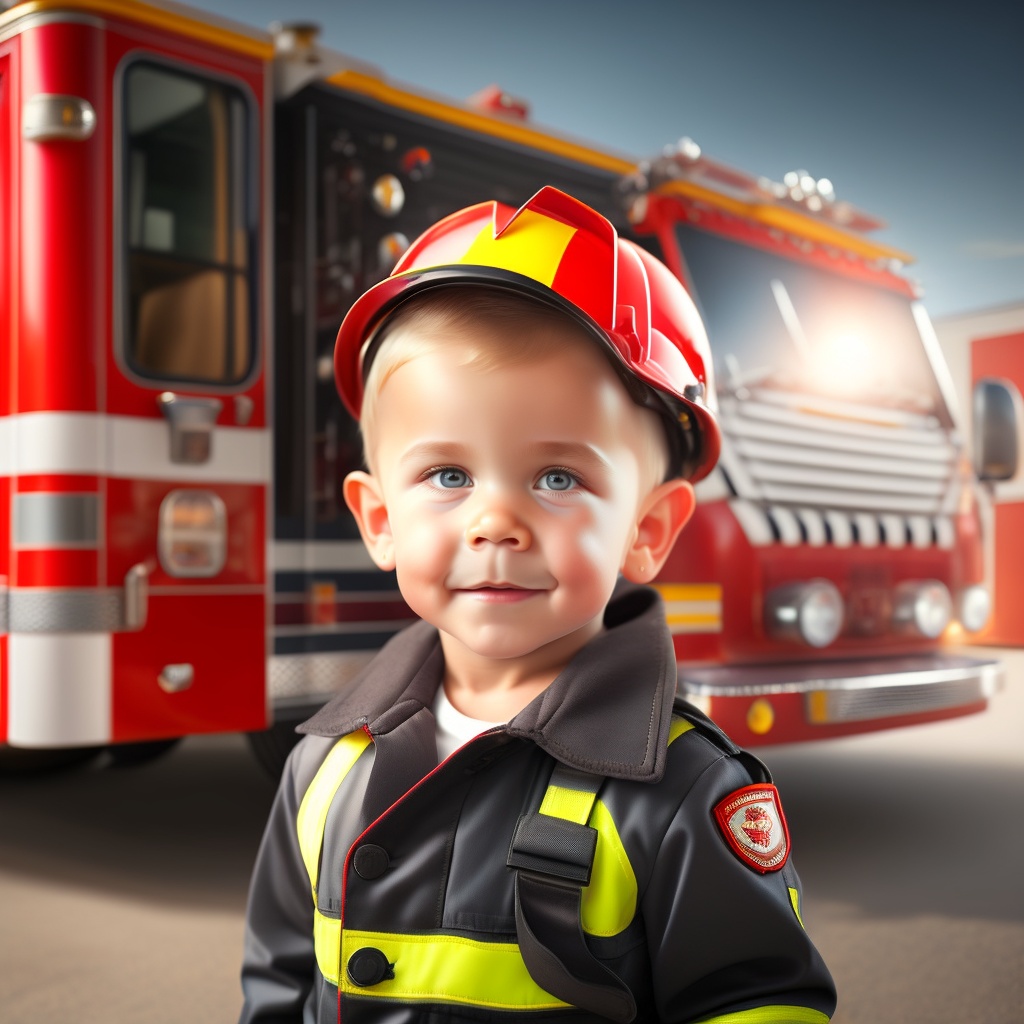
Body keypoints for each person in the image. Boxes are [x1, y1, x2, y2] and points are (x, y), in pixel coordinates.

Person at [239, 187, 836, 1023]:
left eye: (558, 477)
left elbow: (758, 1002)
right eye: (448, 475)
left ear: (647, 530)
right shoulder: (324, 765)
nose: (496, 522)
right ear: (379, 521)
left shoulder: (683, 792)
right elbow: (277, 984)